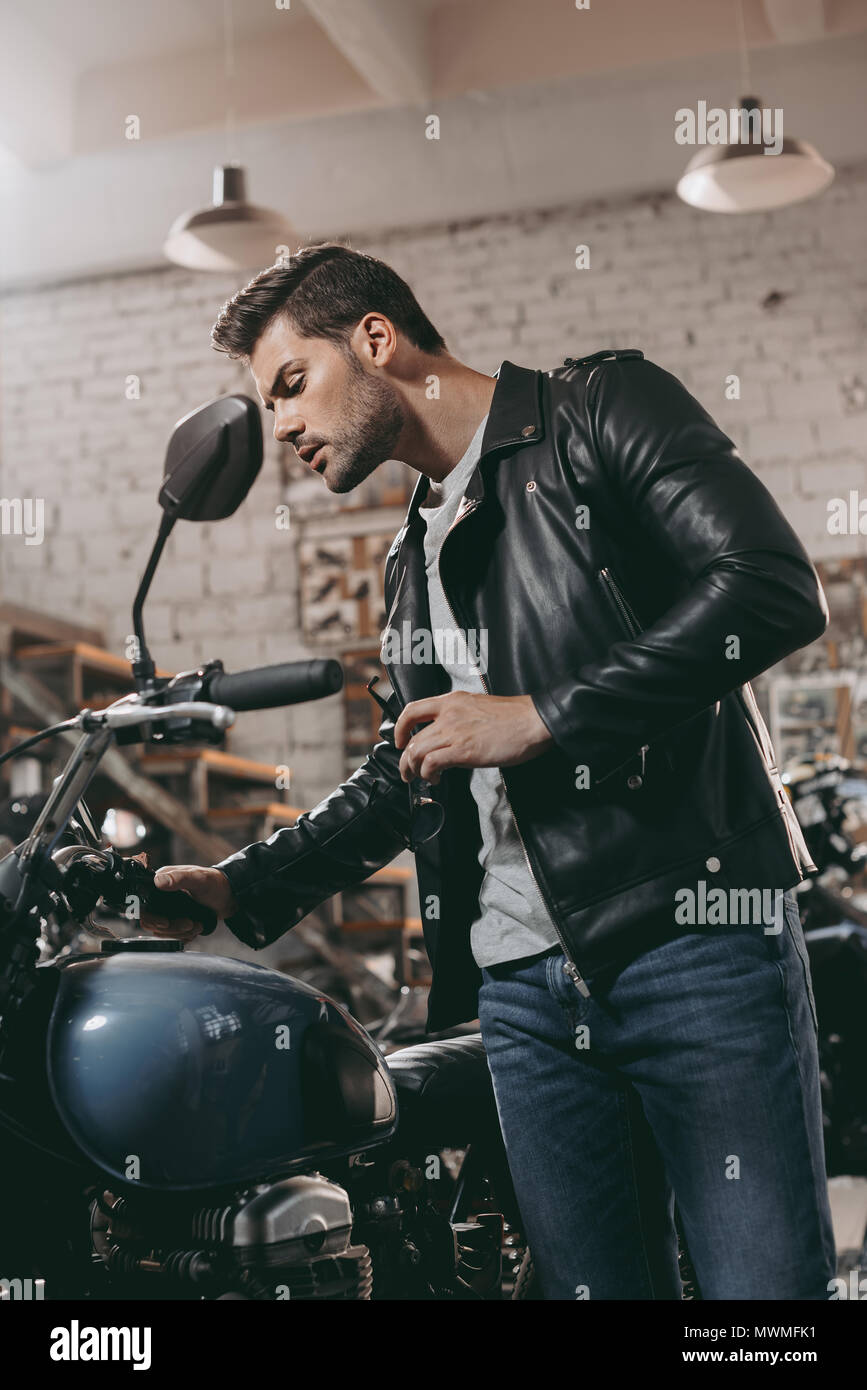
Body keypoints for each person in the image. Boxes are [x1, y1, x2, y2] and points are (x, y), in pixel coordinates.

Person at [143, 243, 835, 1300]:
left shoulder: (597, 413)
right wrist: (246, 882)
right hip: (521, 996)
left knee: (762, 1306)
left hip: (691, 942)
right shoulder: (411, 554)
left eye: (292, 383)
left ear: (376, 339)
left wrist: (548, 715)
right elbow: (407, 767)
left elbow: (770, 589)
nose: (280, 426)